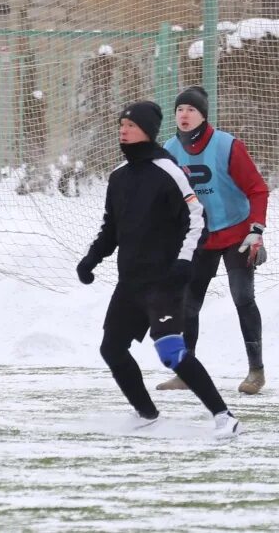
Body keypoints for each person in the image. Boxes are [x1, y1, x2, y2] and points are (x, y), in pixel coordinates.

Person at [76, 101, 240, 439]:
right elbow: (111, 228)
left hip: (164, 281)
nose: (123, 130)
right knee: (111, 349)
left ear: (147, 131)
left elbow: (197, 219)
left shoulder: (168, 170)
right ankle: (147, 414)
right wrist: (92, 258)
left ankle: (224, 416)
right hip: (130, 282)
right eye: (121, 124)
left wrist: (183, 262)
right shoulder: (118, 177)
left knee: (171, 352)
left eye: (130, 125)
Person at [155, 86, 269, 395]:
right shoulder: (169, 150)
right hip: (200, 237)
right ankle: (185, 372)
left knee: (242, 297)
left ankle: (256, 371)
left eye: (191, 109)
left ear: (203, 115)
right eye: (180, 109)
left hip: (237, 233)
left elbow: (258, 189)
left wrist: (256, 231)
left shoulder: (227, 146)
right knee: (187, 306)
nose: (184, 114)